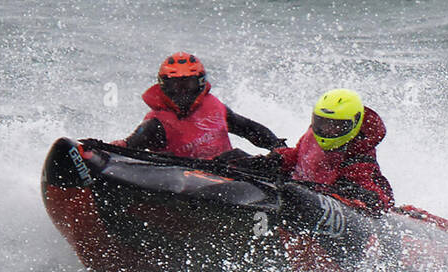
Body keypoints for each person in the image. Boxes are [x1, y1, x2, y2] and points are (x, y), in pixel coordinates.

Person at [114, 52, 284, 159]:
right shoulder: (156, 124)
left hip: (231, 175)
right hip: (184, 183)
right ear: (163, 86)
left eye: (188, 85)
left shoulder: (215, 107)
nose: (182, 93)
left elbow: (249, 129)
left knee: (239, 157)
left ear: (201, 84)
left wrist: (278, 148)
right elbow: (126, 149)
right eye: (175, 86)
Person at [274, 89, 394, 212]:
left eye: (336, 126)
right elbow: (297, 156)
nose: (327, 131)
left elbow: (378, 198)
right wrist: (277, 159)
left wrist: (355, 192)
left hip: (330, 206)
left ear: (355, 123)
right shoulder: (312, 136)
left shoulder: (359, 156)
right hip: (302, 192)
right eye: (322, 123)